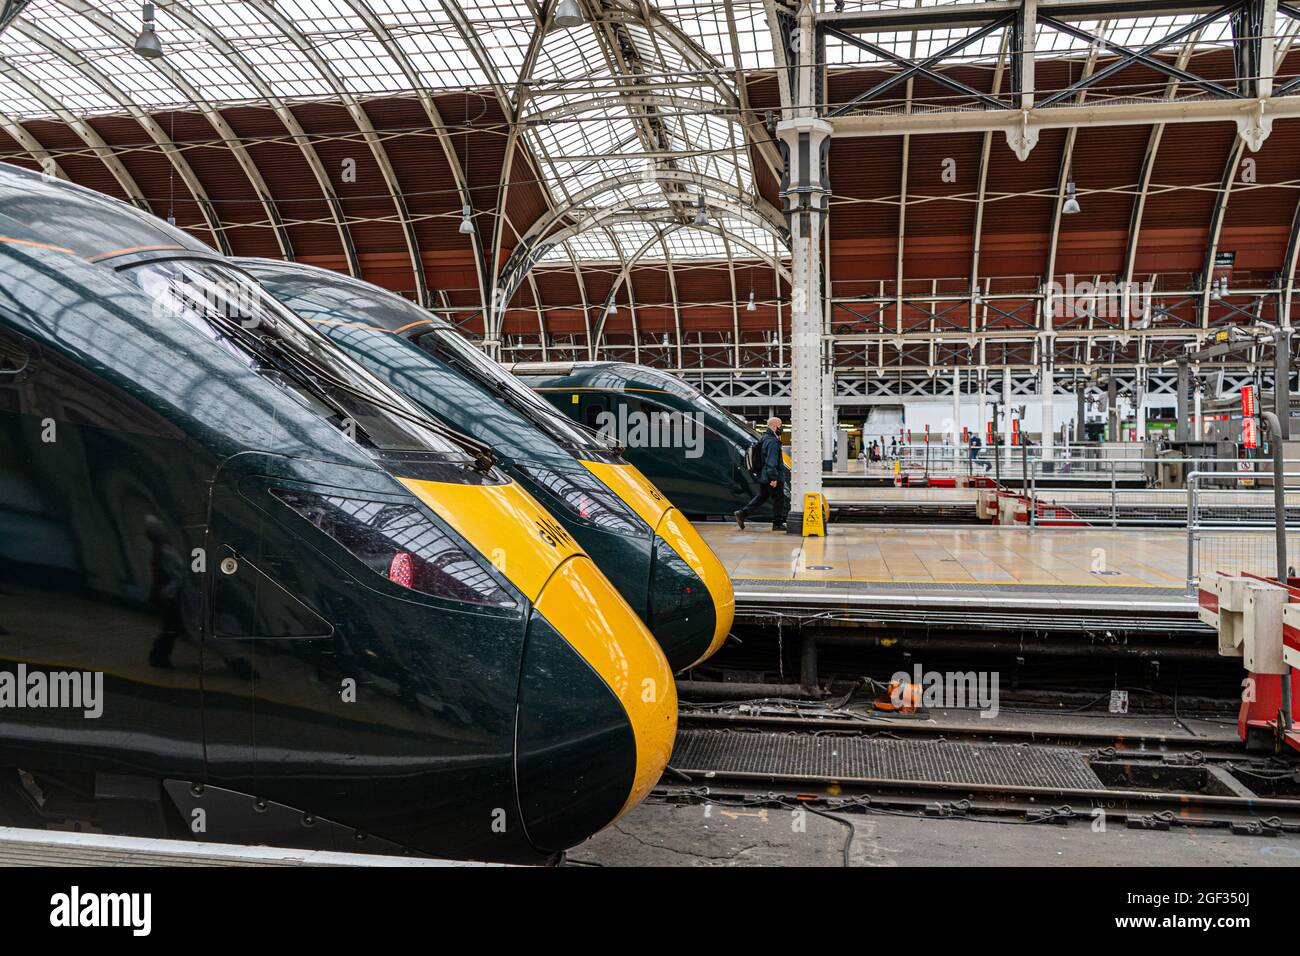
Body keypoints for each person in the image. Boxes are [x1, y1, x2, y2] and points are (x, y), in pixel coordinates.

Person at [735, 416, 787, 531]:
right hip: (770, 476)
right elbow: (771, 461)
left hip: (763, 476)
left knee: (762, 496)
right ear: (774, 427)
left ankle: (742, 513)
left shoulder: (764, 438)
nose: (781, 428)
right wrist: (774, 478)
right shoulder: (773, 441)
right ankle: (777, 523)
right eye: (780, 425)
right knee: (779, 498)